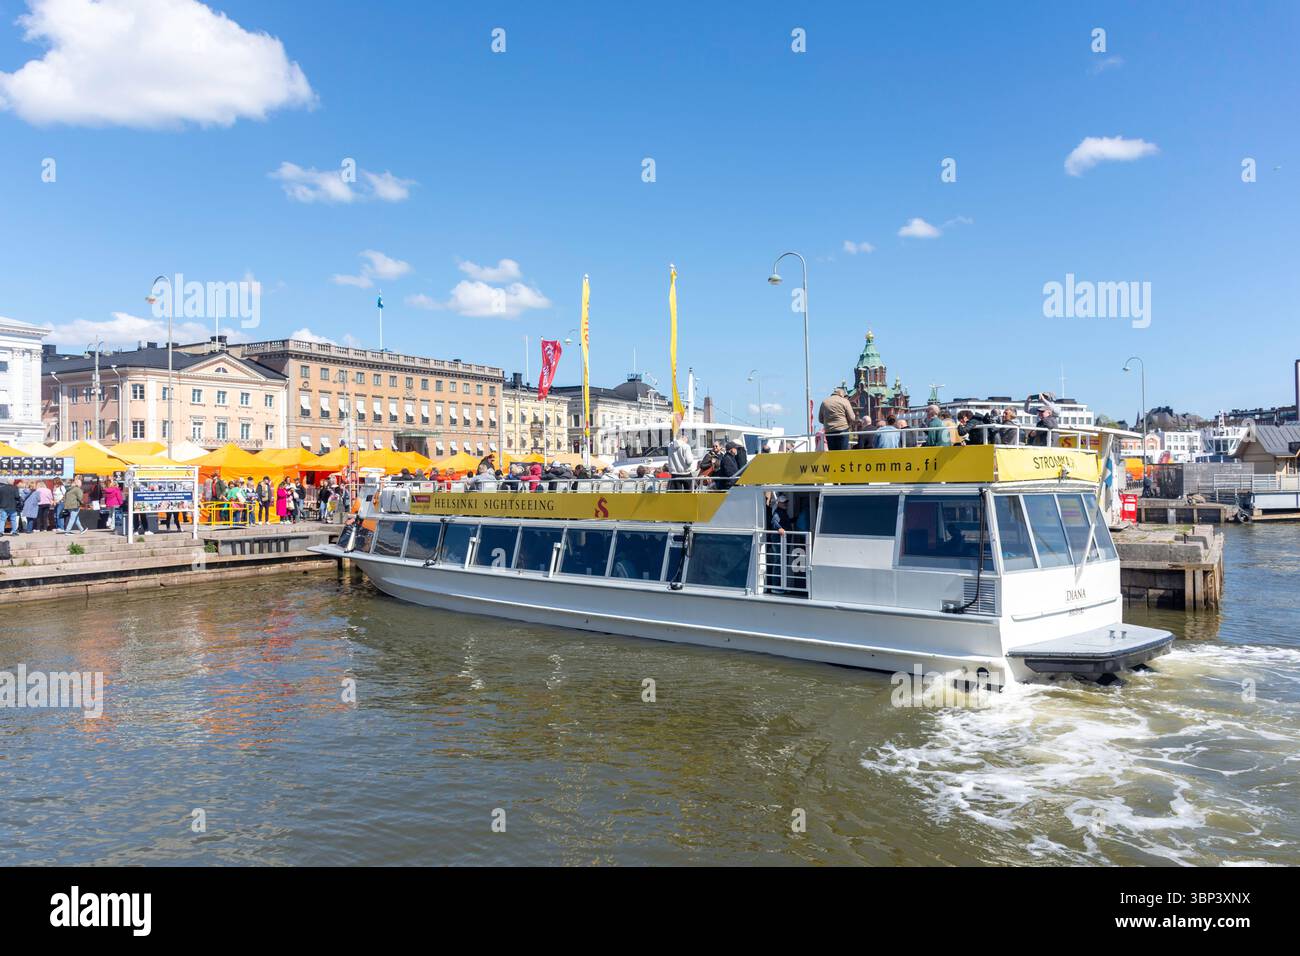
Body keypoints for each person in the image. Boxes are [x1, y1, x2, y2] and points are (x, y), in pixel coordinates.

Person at [818, 386, 855, 451]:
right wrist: (848, 424)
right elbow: (852, 418)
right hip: (842, 430)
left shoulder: (824, 402)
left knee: (832, 453)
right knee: (842, 454)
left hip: (829, 432)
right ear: (841, 394)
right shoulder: (845, 401)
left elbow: (820, 419)